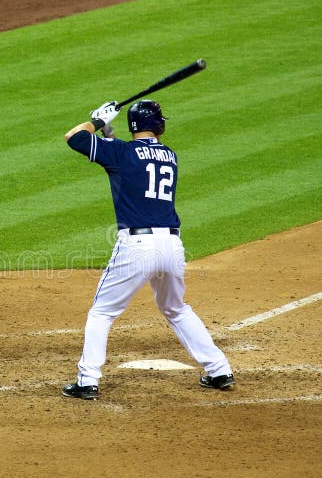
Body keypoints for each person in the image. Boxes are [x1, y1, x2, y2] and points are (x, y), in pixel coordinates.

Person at [60, 100, 235, 400]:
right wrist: (111, 142)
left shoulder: (122, 153)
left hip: (137, 246)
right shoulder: (170, 156)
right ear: (159, 125)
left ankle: (88, 380)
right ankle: (219, 370)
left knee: (102, 312)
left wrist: (98, 122)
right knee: (177, 309)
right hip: (172, 246)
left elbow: (74, 137)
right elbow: (134, 171)